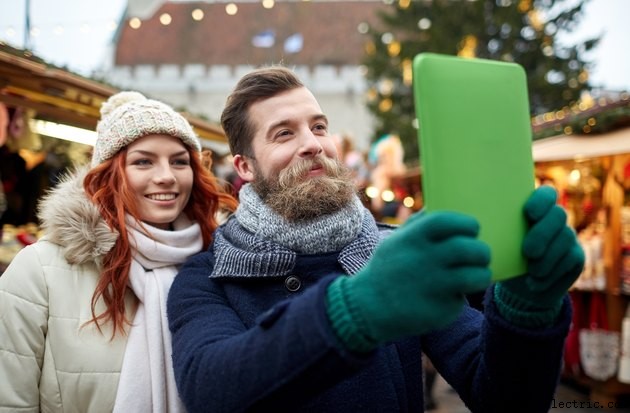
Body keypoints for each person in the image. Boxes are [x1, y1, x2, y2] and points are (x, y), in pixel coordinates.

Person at [167, 66, 585, 413]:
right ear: (245, 166)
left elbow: (504, 398)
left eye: (318, 126)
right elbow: (211, 390)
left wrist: (524, 307)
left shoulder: (393, 252)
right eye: (284, 134)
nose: (313, 144)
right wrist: (355, 308)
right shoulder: (208, 274)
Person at [0, 91, 237, 412]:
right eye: (143, 161)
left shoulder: (218, 266)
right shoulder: (40, 270)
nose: (166, 176)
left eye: (179, 161)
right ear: (110, 174)